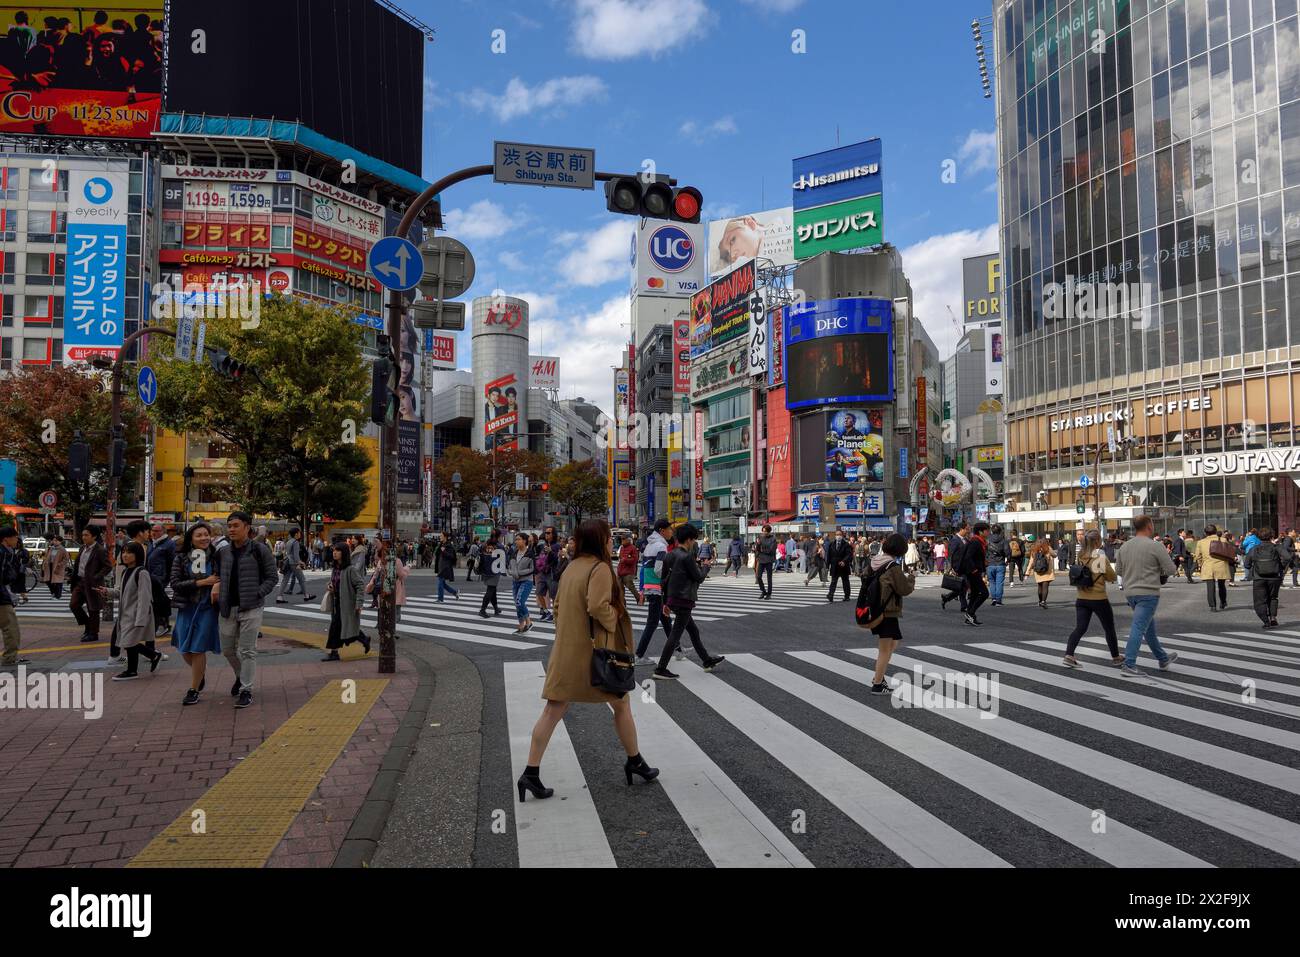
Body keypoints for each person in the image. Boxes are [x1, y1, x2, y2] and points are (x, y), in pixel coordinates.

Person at [518, 519, 658, 802]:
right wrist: (614, 618)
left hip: (567, 650)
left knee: (553, 709)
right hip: (596, 654)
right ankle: (634, 761)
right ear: (600, 540)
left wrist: (569, 629)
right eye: (608, 537)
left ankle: (530, 773)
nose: (611, 542)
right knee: (621, 703)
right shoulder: (601, 568)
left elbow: (557, 606)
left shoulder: (572, 566)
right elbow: (597, 606)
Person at [212, 512, 278, 709]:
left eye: (235, 525)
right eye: (229, 525)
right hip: (227, 606)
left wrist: (258, 593)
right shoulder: (222, 552)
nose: (231, 529)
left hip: (251, 606)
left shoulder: (259, 550)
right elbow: (217, 575)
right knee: (227, 649)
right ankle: (241, 676)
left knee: (248, 650)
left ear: (247, 527)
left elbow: (272, 577)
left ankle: (246, 689)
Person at [653, 524, 725, 681]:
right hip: (684, 599)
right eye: (693, 539)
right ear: (689, 539)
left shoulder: (669, 555)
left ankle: (707, 661)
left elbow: (663, 581)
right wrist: (706, 567)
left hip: (673, 598)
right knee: (675, 634)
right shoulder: (686, 556)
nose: (694, 542)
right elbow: (698, 577)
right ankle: (660, 668)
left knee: (693, 630)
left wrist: (665, 602)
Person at [1115, 516, 1179, 677]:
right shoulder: (1155, 546)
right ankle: (1129, 664)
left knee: (1147, 627)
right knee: (1138, 627)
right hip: (1148, 592)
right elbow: (1171, 569)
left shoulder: (1125, 546)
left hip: (1130, 593)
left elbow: (1119, 571)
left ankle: (1163, 658)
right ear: (1149, 526)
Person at [170, 523, 222, 705]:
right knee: (184, 648)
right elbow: (175, 583)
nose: (204, 538)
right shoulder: (181, 558)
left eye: (206, 534)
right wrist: (202, 582)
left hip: (207, 607)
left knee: (197, 647)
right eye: (199, 535)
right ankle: (199, 675)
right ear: (191, 538)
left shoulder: (216, 556)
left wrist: (216, 584)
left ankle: (193, 689)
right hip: (186, 607)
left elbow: (224, 576)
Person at [1062, 530, 1123, 669]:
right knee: (1109, 628)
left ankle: (1069, 655)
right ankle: (1116, 657)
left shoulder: (1080, 556)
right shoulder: (1099, 558)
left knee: (1080, 628)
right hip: (1099, 598)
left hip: (1082, 597)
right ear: (1097, 542)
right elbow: (1112, 577)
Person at [103, 541, 163, 681]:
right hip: (126, 613)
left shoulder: (142, 572)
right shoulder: (125, 571)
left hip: (135, 614)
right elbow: (122, 592)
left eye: (129, 552)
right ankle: (151, 657)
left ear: (137, 555)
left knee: (128, 641)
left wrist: (141, 619)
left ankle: (132, 670)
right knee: (130, 642)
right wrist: (107, 591)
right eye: (123, 552)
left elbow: (145, 597)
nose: (125, 555)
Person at [866, 533, 917, 696]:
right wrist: (911, 578)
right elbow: (904, 589)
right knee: (885, 649)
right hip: (887, 611)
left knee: (892, 643)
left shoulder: (874, 562)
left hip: (875, 609)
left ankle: (878, 678)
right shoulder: (892, 567)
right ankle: (877, 683)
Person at [634, 519, 675, 664]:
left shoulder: (649, 546)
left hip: (650, 588)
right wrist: (670, 573)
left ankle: (678, 650)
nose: (672, 531)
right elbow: (659, 570)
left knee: (665, 619)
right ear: (662, 531)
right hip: (657, 589)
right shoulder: (661, 547)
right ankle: (638, 655)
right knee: (652, 622)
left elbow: (643, 569)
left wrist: (642, 589)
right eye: (670, 529)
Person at [324, 543, 370, 662]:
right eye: (334, 550)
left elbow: (360, 585)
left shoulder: (350, 569)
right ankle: (364, 639)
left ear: (343, 553)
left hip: (347, 603)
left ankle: (334, 653)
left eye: (338, 551)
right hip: (336, 602)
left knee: (337, 626)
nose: (334, 553)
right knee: (342, 627)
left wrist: (359, 603)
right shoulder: (335, 568)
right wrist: (330, 586)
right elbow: (334, 582)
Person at [69, 527, 109, 643]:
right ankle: (88, 624)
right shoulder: (82, 548)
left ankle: (93, 633)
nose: (83, 537)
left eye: (86, 535)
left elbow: (108, 566)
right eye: (83, 535)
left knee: (93, 609)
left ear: (94, 536)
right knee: (74, 604)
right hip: (80, 582)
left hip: (93, 583)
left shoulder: (100, 550)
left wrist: (96, 576)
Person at [0, 527, 29, 667]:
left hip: (3, 593)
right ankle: (9, 658)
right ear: (6, 538)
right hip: (1, 596)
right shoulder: (3, 553)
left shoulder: (7, 552)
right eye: (15, 537)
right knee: (11, 627)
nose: (17, 540)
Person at [1245, 527, 1285, 628]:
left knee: (1259, 601)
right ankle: (1272, 617)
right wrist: (1281, 567)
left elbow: (1246, 564)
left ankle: (1265, 621)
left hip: (1259, 578)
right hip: (1275, 577)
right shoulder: (1277, 547)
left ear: (1259, 537)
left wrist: (1253, 567)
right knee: (1273, 597)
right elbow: (1288, 557)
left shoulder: (1254, 548)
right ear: (1272, 536)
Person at [1194, 524, 1232, 612]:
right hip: (1221, 564)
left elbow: (1198, 556)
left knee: (1210, 587)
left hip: (1208, 566)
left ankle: (1213, 606)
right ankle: (1223, 602)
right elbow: (1228, 552)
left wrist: (1200, 564)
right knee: (1221, 585)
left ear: (1205, 533)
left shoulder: (1201, 542)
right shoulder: (1223, 540)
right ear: (1215, 531)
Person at [960, 523, 991, 626]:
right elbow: (968, 557)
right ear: (981, 532)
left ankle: (969, 617)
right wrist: (974, 570)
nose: (988, 532)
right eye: (987, 530)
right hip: (973, 572)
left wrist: (983, 563)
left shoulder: (980, 542)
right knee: (984, 593)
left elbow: (975, 557)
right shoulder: (975, 542)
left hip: (975, 571)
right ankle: (970, 613)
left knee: (974, 594)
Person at [275, 528, 315, 605]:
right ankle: (306, 595)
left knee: (285, 580)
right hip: (294, 563)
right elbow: (296, 556)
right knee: (302, 579)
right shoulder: (296, 542)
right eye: (299, 533)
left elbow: (286, 553)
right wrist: (301, 563)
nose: (300, 534)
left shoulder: (288, 542)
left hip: (287, 562)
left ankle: (279, 597)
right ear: (296, 534)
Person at [507, 533, 536, 634]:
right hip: (515, 581)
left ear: (524, 541)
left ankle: (529, 622)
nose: (516, 541)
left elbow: (533, 568)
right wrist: (513, 573)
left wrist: (519, 573)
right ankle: (521, 625)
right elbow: (509, 567)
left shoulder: (530, 553)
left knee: (519, 602)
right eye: (516, 540)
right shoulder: (513, 553)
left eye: (518, 539)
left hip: (526, 581)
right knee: (517, 604)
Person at [940, 524, 969, 611]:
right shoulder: (955, 540)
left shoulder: (966, 540)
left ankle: (947, 597)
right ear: (961, 529)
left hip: (965, 566)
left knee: (962, 586)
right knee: (963, 585)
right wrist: (952, 567)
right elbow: (950, 555)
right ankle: (964, 606)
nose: (968, 531)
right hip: (958, 567)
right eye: (967, 529)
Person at [479, 532, 505, 618]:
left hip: (485, 570)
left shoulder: (485, 545)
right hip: (495, 570)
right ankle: (482, 609)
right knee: (490, 590)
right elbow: (504, 558)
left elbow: (480, 556)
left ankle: (496, 608)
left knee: (492, 589)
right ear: (498, 537)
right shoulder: (499, 546)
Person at [826, 530, 853, 602]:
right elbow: (828, 556)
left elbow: (849, 554)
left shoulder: (846, 544)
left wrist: (844, 561)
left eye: (840, 535)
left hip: (843, 566)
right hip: (834, 566)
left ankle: (847, 596)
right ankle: (830, 595)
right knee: (833, 581)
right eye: (837, 535)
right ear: (835, 535)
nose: (838, 536)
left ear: (842, 535)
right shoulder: (831, 544)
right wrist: (827, 566)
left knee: (845, 581)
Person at [985, 524, 1009, 606]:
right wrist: (1008, 560)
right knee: (999, 583)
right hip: (1000, 563)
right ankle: (998, 600)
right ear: (1000, 531)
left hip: (990, 564)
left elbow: (984, 552)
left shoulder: (987, 540)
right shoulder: (1003, 540)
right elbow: (1007, 552)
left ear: (992, 531)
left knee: (992, 582)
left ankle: (994, 599)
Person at [40, 535, 69, 600]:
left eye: (56, 541)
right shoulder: (51, 548)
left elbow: (66, 559)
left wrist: (60, 564)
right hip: (49, 566)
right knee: (48, 581)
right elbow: (47, 556)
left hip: (58, 567)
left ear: (60, 542)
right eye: (54, 540)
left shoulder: (62, 549)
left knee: (58, 582)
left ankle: (58, 596)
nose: (54, 542)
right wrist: (45, 563)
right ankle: (53, 592)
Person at [615, 535, 642, 605]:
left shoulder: (633, 548)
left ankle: (638, 597)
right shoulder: (621, 548)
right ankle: (622, 602)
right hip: (621, 570)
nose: (622, 540)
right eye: (622, 539)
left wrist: (626, 560)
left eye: (624, 539)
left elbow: (635, 559)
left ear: (628, 540)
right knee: (619, 587)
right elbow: (620, 558)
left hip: (629, 571)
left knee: (630, 585)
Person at [1029, 538, 1056, 608]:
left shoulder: (1035, 549)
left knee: (1040, 586)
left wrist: (1027, 571)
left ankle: (1040, 601)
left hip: (1038, 571)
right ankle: (1043, 601)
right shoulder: (1048, 548)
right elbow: (1054, 555)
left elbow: (1031, 561)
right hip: (1047, 570)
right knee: (1045, 586)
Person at [435, 531, 460, 603]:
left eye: (441, 536)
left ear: (445, 537)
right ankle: (455, 592)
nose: (440, 537)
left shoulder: (449, 545)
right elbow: (437, 554)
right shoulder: (441, 544)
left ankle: (440, 599)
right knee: (443, 583)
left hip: (445, 566)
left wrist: (444, 551)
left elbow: (451, 556)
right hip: (441, 566)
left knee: (440, 582)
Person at [754, 525, 777, 599]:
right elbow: (757, 549)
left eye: (765, 531)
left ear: (769, 531)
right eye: (763, 531)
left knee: (769, 578)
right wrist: (758, 544)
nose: (764, 533)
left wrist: (761, 549)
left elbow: (771, 550)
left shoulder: (773, 539)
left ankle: (769, 594)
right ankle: (763, 591)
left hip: (769, 559)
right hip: (761, 559)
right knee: (758, 576)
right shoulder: (760, 537)